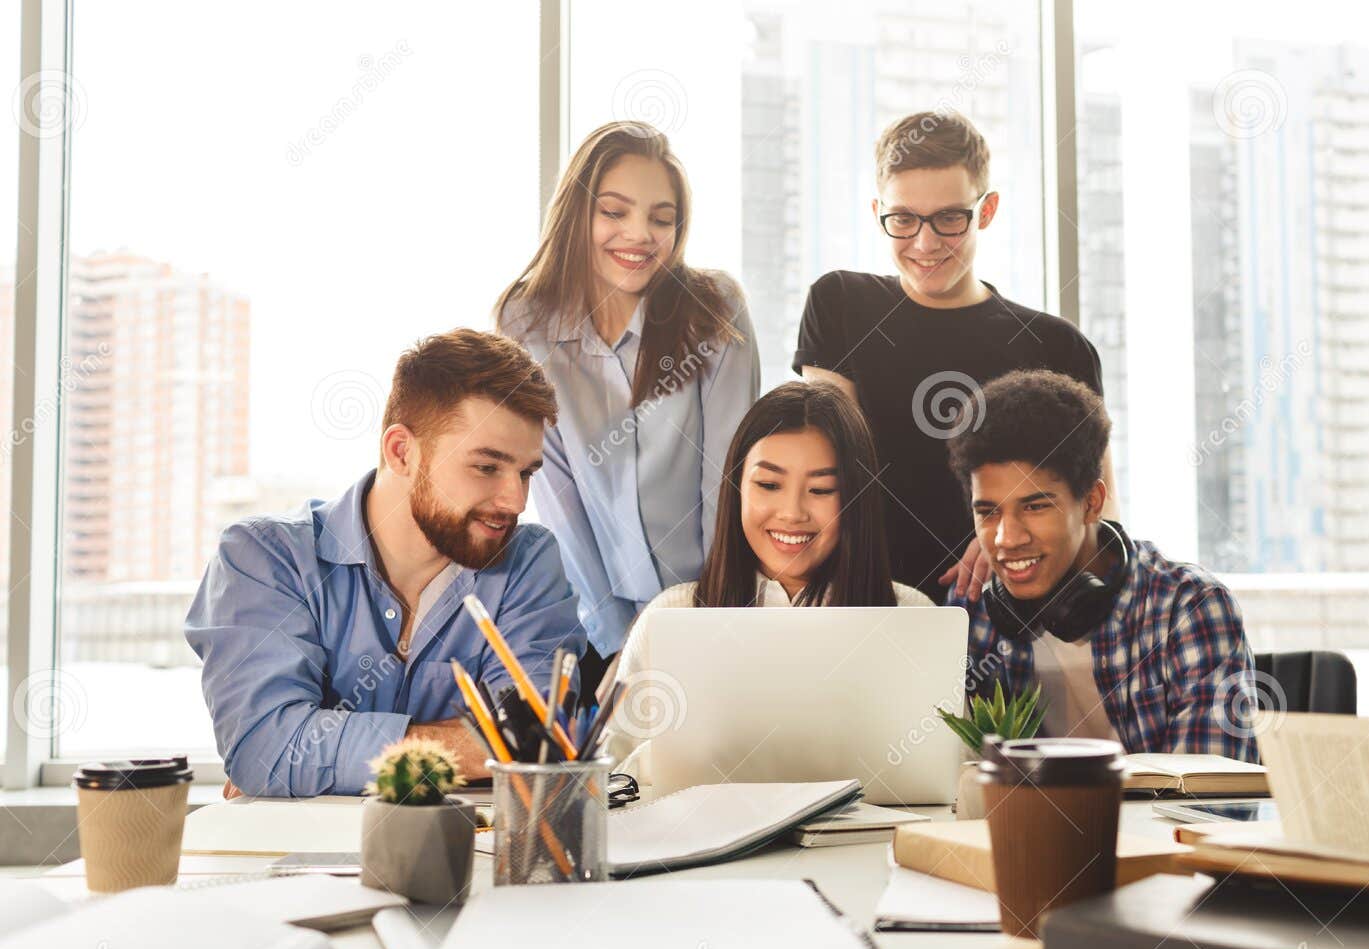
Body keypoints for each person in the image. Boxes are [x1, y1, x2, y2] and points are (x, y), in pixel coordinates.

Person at [185, 329, 586, 797]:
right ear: (401, 451)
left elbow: (537, 741)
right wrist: (482, 745)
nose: (515, 500)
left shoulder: (528, 563)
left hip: (468, 853)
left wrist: (316, 755)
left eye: (526, 472)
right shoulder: (265, 557)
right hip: (299, 856)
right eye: (486, 467)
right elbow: (267, 751)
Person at [794, 109, 1113, 606]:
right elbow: (827, 470)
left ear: (986, 211)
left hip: (1013, 613)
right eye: (902, 219)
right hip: (867, 603)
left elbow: (1100, 517)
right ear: (878, 210)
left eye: (949, 218)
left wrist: (1010, 536)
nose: (925, 243)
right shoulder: (839, 305)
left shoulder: (1057, 346)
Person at [496, 121, 759, 698]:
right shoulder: (526, 323)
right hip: (598, 629)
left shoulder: (714, 309)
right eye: (614, 212)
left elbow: (728, 481)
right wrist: (622, 645)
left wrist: (704, 620)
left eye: (661, 219)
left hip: (713, 613)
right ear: (576, 214)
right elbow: (559, 500)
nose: (639, 235)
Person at [947, 370, 1259, 762]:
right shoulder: (973, 611)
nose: (1007, 538)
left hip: (1150, 825)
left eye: (1035, 506)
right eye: (989, 512)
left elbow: (1211, 799)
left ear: (1092, 502)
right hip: (1022, 824)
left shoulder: (1189, 607)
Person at [608, 380, 932, 757]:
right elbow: (610, 780)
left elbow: (950, 771)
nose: (792, 513)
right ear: (736, 489)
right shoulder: (669, 618)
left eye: (822, 490)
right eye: (768, 484)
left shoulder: (913, 617)